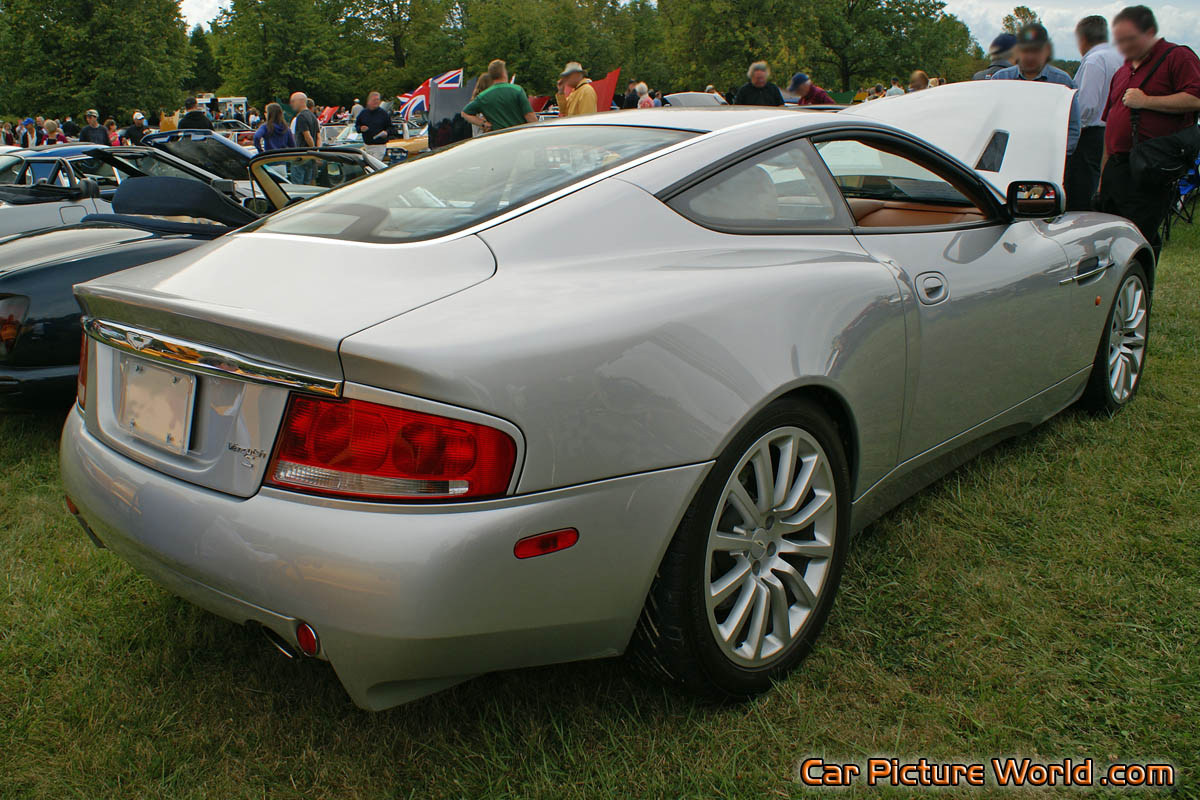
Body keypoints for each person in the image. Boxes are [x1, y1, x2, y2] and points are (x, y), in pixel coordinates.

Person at [1099, 4, 1200, 256]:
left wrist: (1146, 102)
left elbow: (1196, 98)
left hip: (1148, 169)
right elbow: (1109, 125)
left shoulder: (1177, 57)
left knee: (1136, 242)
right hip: (1116, 169)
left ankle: (1141, 291)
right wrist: (1102, 177)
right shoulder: (1123, 70)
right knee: (1108, 240)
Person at [990, 24, 1081, 156]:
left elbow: (1072, 127)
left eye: (1036, 51)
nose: (1030, 57)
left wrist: (1058, 157)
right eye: (1026, 50)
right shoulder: (1000, 79)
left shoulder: (1062, 82)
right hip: (1005, 159)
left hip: (1046, 162)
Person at [1069, 15, 1124, 210]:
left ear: (1082, 38)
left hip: (1091, 132)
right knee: (1105, 182)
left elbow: (1086, 105)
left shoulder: (1093, 60)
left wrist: (1074, 131)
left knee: (1082, 186)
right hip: (1115, 128)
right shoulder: (1119, 56)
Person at [463, 60, 538, 133]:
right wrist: (537, 130)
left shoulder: (483, 96)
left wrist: (483, 123)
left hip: (498, 139)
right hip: (518, 135)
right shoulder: (517, 90)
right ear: (504, 73)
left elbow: (465, 113)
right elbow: (529, 115)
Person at [356, 91, 394, 158]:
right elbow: (357, 126)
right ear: (369, 101)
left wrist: (386, 132)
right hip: (367, 146)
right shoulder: (363, 113)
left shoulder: (383, 114)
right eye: (374, 100)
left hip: (379, 146)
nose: (376, 102)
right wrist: (361, 128)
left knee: (375, 165)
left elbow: (391, 128)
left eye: (378, 100)